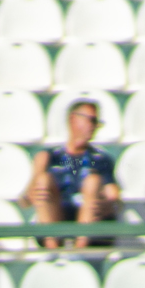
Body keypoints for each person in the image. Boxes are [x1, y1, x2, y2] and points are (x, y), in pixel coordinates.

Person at [26, 99, 118, 249]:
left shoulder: (100, 159)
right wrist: (35, 182)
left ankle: (79, 249)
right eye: (91, 120)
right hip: (57, 216)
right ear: (73, 119)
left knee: (93, 182)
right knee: (43, 181)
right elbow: (26, 200)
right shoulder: (50, 157)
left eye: (96, 122)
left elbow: (113, 197)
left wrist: (105, 204)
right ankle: (53, 249)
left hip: (89, 220)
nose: (93, 127)